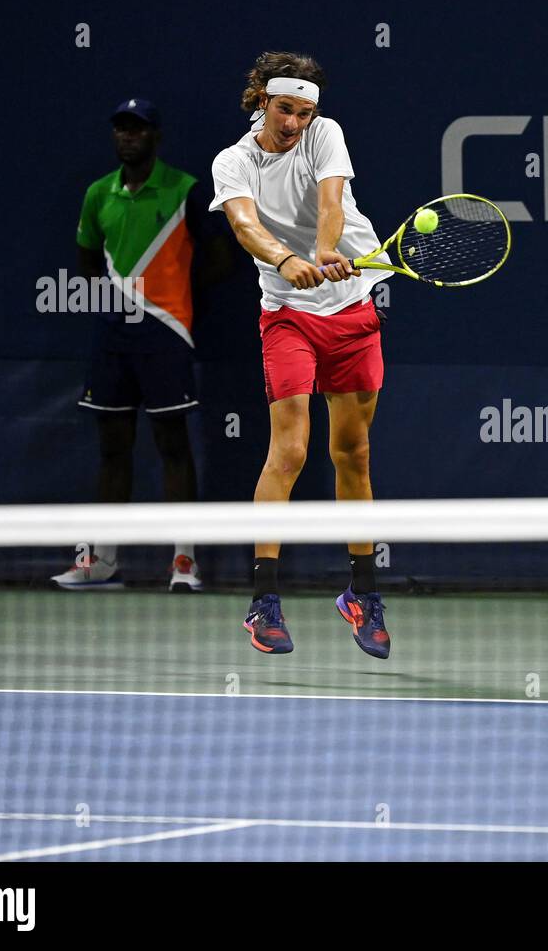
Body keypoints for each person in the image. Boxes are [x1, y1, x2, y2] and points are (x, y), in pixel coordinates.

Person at [209, 52, 394, 658]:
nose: (294, 123)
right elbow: (243, 225)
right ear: (260, 98)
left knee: (354, 452)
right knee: (288, 450)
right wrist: (290, 263)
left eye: (304, 112)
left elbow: (332, 201)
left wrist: (321, 249)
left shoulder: (326, 135)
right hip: (287, 316)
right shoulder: (232, 162)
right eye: (285, 109)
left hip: (351, 310)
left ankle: (361, 594)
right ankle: (264, 601)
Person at [52, 98, 231, 592]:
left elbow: (220, 258)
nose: (128, 136)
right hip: (113, 336)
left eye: (138, 129)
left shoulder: (185, 191)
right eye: (121, 129)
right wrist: (120, 301)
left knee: (173, 445)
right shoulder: (97, 194)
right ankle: (102, 562)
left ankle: (183, 564)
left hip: (167, 333)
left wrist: (172, 299)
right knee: (112, 448)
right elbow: (88, 258)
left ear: (156, 137)